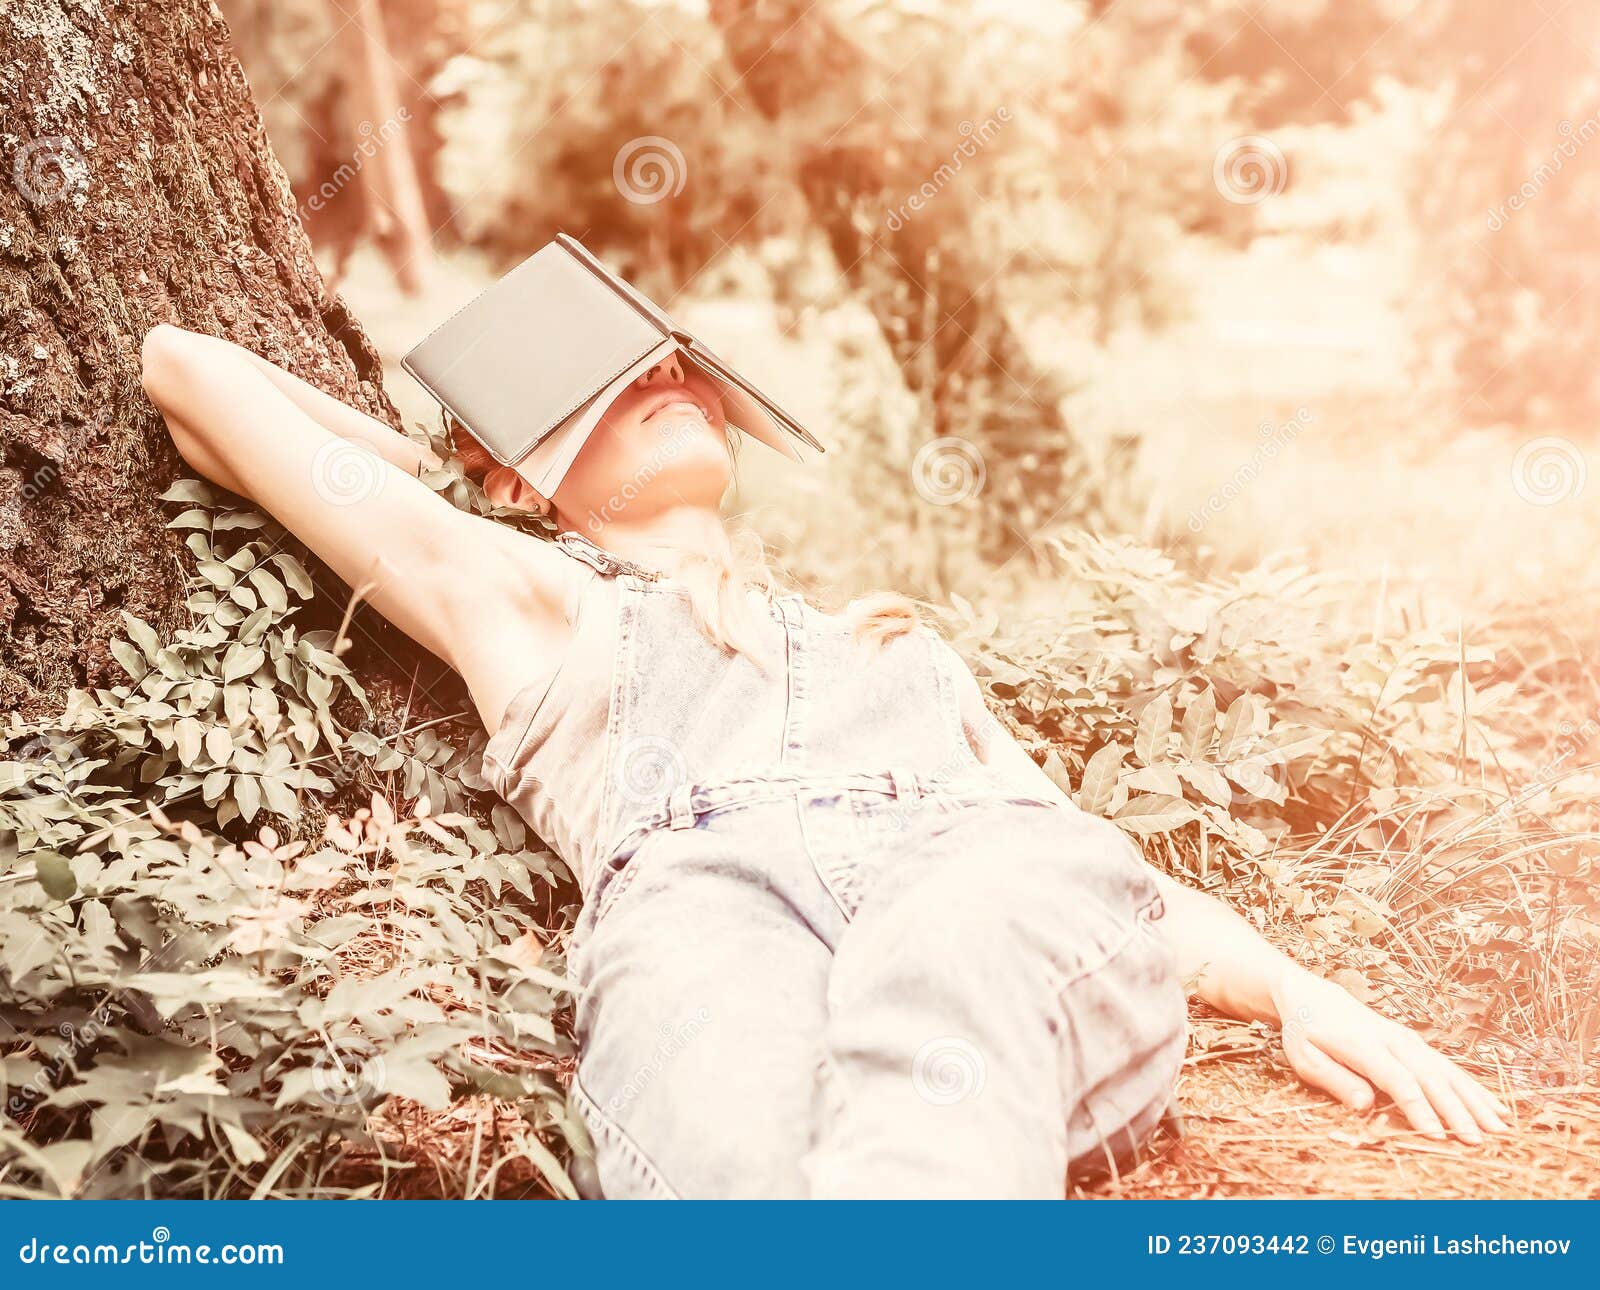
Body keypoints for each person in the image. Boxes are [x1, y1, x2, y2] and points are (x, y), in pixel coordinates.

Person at [138, 322, 1510, 1199]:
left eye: (680, 365)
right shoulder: (527, 599)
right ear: (520, 474)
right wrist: (468, 479)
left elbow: (1089, 881)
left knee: (949, 959)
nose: (670, 375)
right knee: (733, 1134)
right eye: (615, 376)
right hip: (705, 895)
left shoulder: (894, 641)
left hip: (969, 870)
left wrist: (1292, 986)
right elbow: (185, 372)